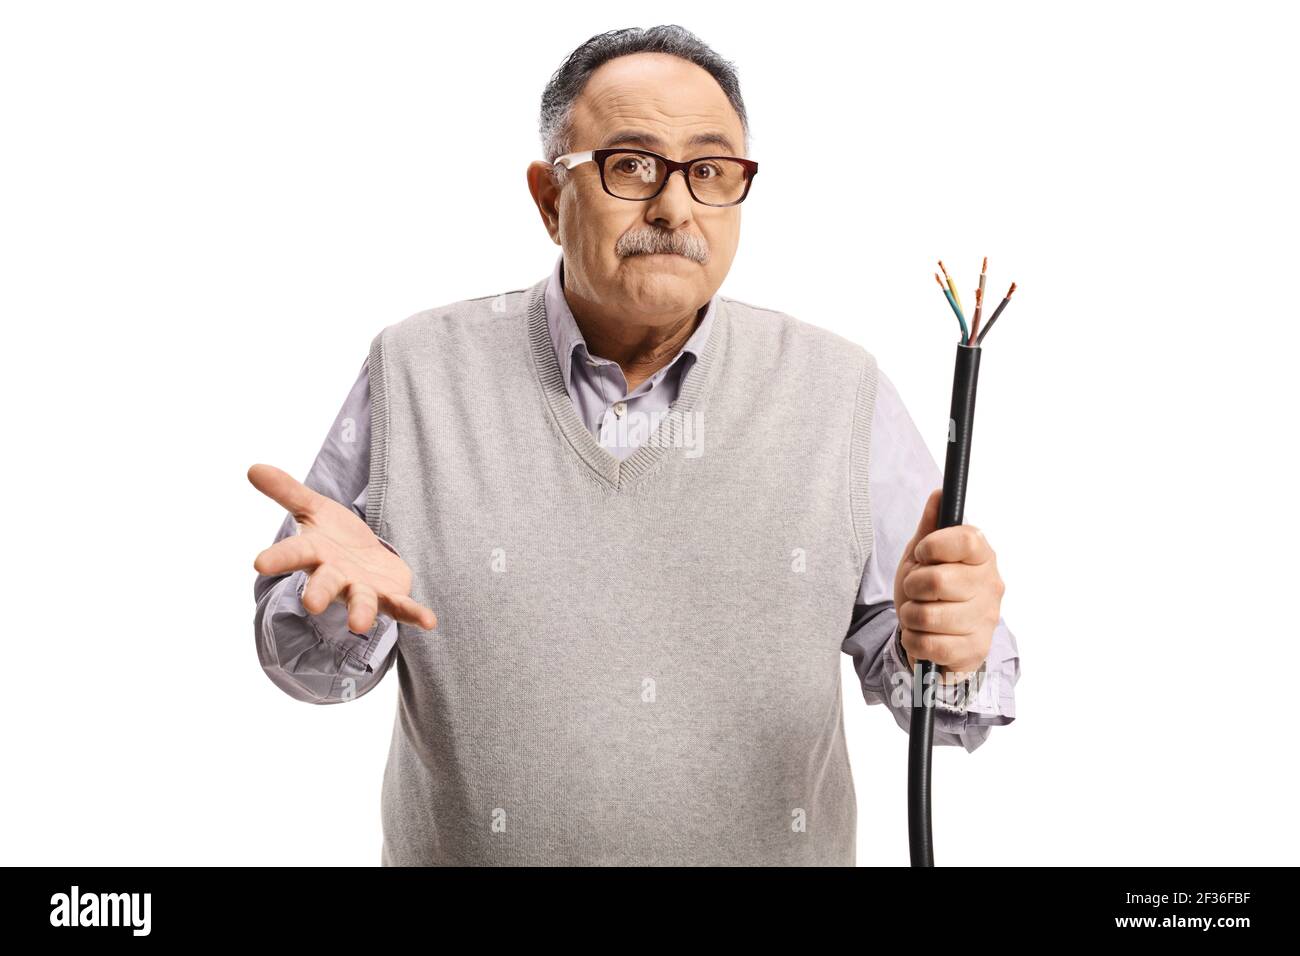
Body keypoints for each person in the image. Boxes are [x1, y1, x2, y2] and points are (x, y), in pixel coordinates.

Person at [249, 25, 1019, 866]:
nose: (675, 207)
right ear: (550, 198)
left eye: (710, 171)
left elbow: (939, 704)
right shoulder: (414, 372)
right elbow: (310, 672)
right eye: (632, 165)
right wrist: (330, 618)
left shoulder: (839, 389)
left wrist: (954, 647)